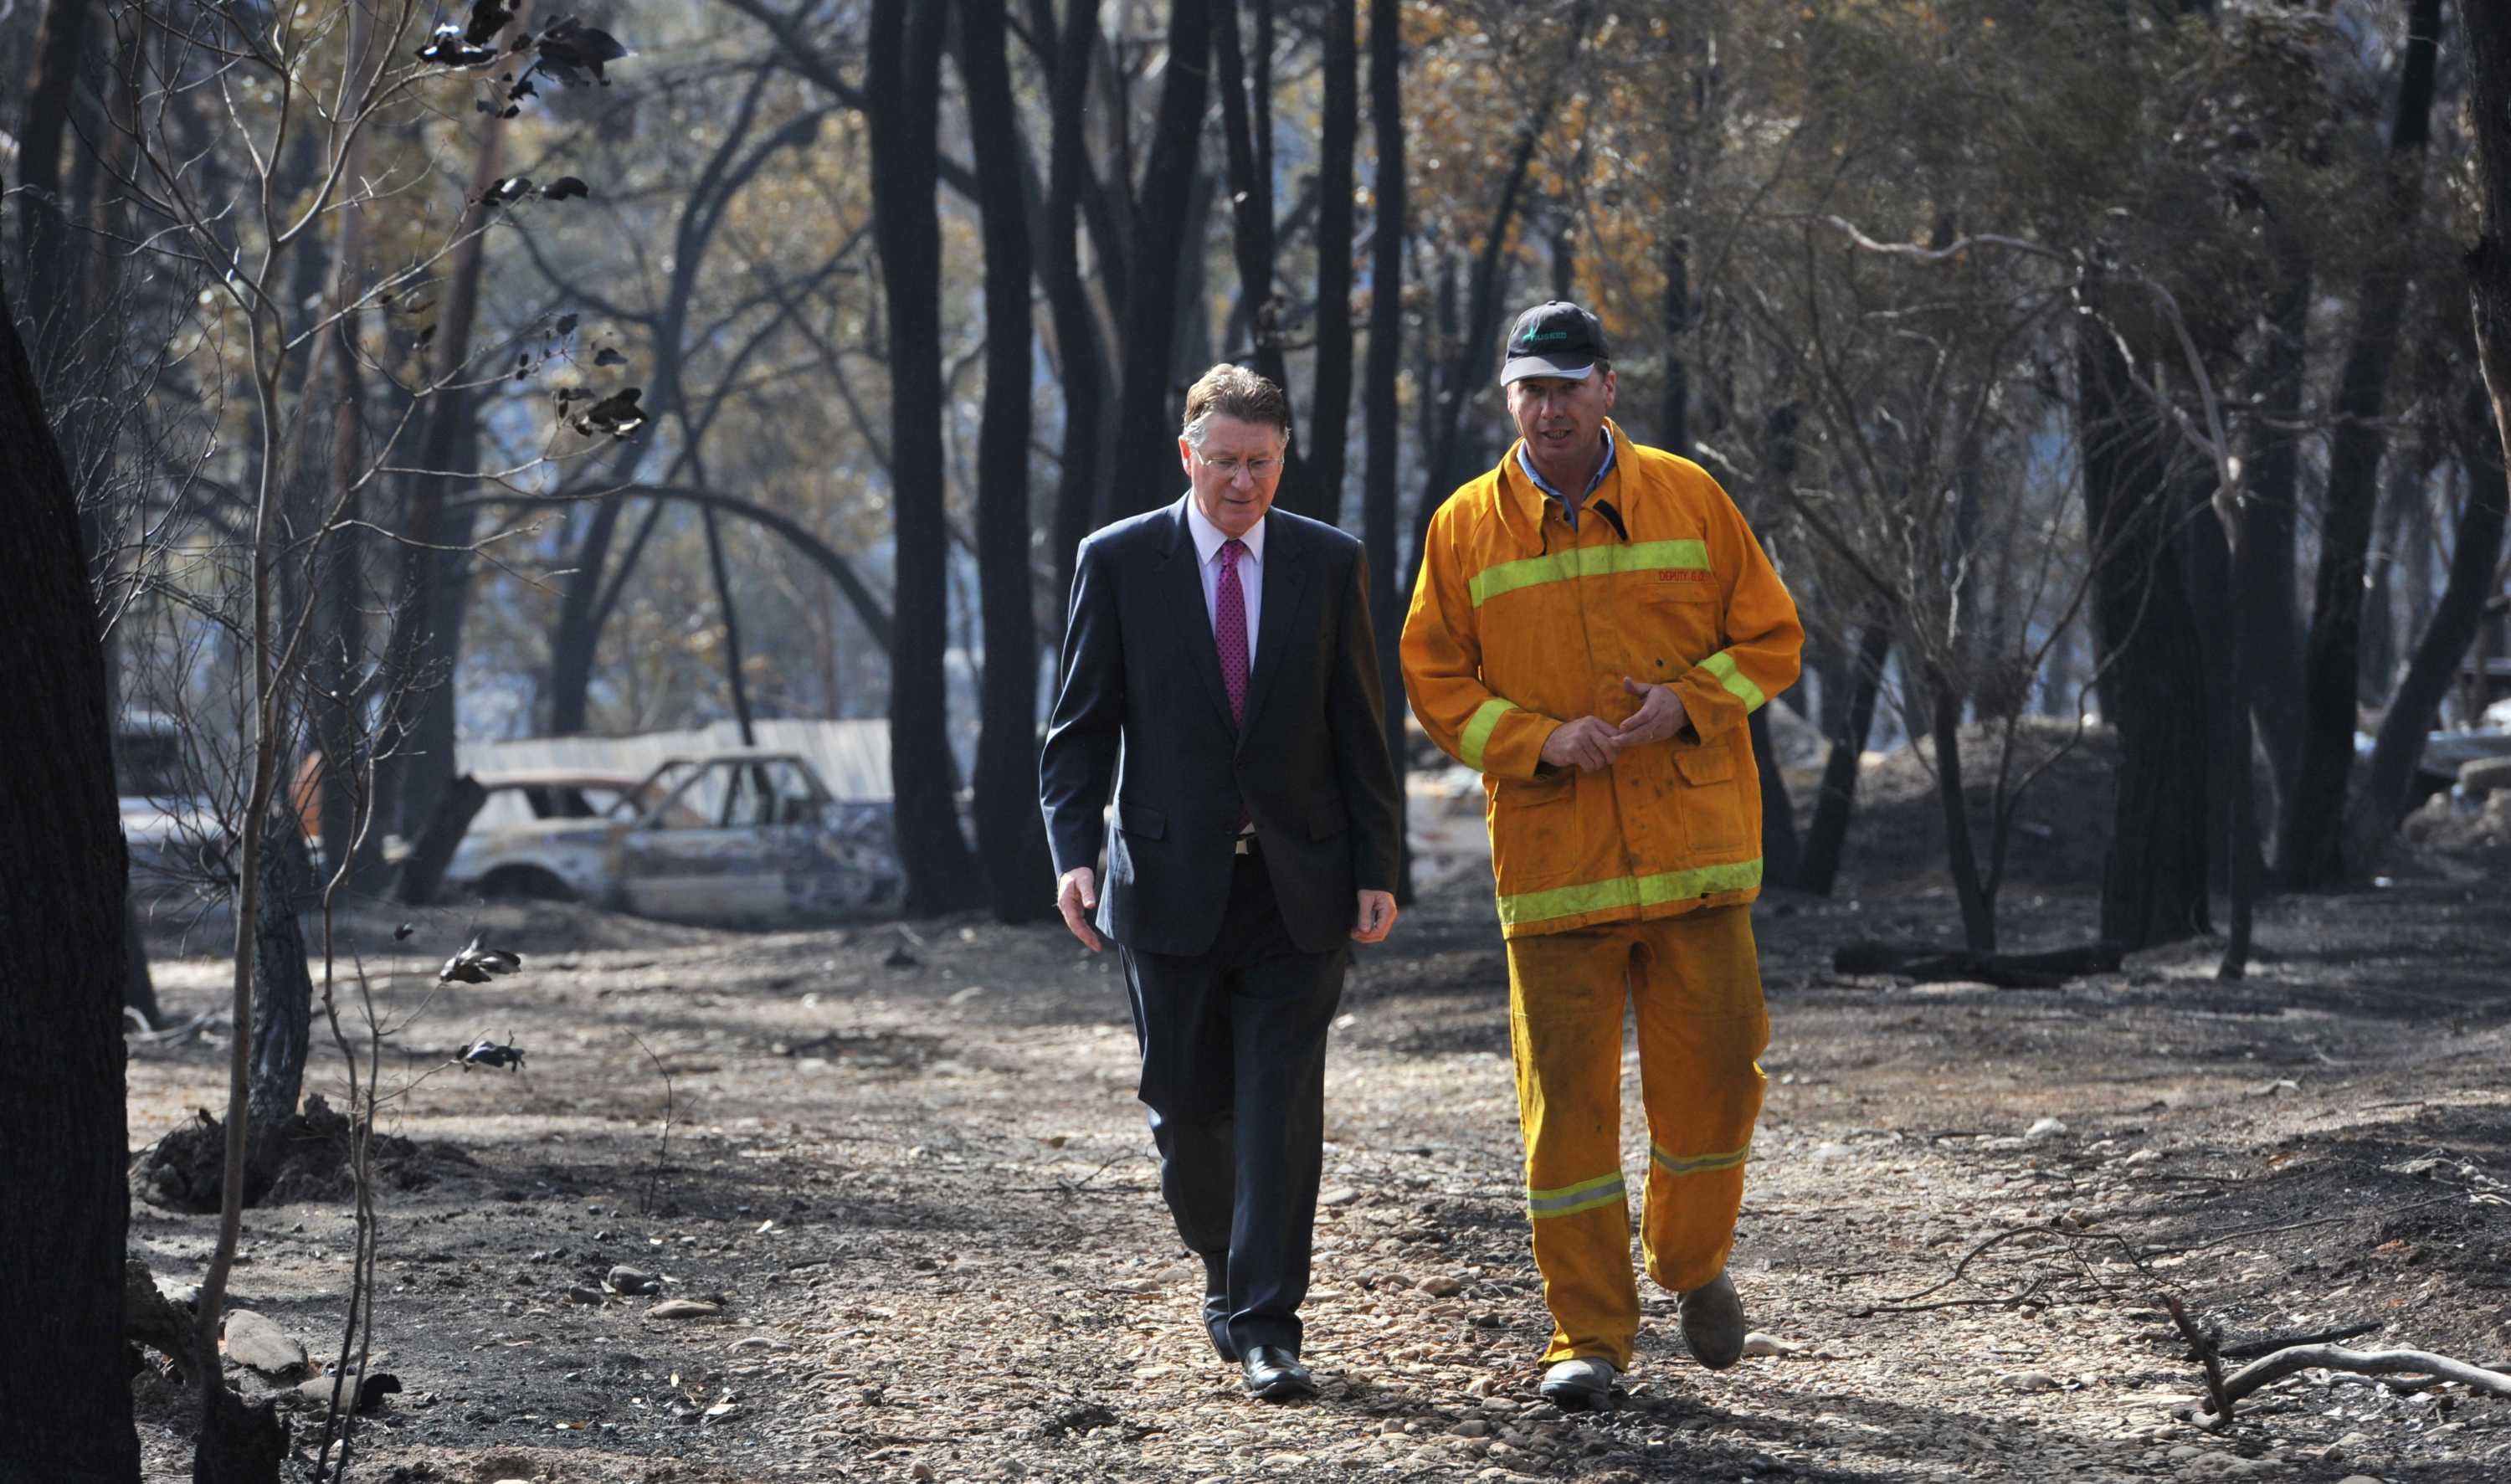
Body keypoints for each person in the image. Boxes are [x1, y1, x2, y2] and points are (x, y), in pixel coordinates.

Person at [1399, 300, 1803, 1410]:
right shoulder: (1464, 528)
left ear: (1608, 389)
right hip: (1554, 870)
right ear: (1508, 396)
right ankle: (1588, 1337)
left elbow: (1772, 637)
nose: (1551, 405)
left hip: (1695, 860)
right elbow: (1435, 682)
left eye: (1569, 385)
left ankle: (1689, 1264)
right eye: (1531, 386)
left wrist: (1689, 704)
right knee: (1565, 1116)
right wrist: (1535, 741)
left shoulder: (1690, 497)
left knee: (1720, 1081)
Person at [1040, 363, 1404, 1401]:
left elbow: (1358, 727)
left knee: (1282, 1110)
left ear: (1282, 461)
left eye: (1263, 463)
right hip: (1165, 883)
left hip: (1301, 885)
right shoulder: (1119, 561)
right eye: (1226, 461)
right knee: (1185, 1111)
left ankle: (1266, 1323)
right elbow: (1078, 730)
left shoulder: (1328, 564)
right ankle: (1220, 1262)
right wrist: (1073, 852)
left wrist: (1378, 866)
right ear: (1187, 454)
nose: (1243, 483)